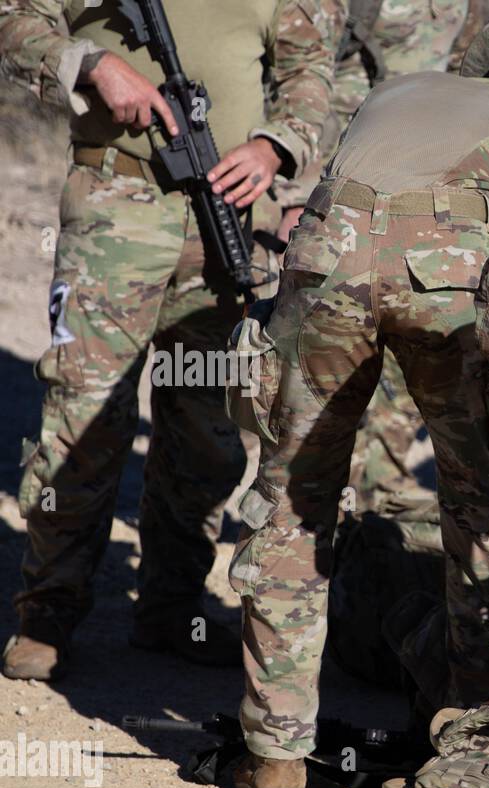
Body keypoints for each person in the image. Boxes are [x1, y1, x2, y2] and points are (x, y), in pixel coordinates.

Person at [229, 14, 489, 788]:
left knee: (294, 501)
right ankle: (466, 740)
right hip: (452, 281)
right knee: (480, 510)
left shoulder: (398, 90)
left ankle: (275, 760)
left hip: (326, 261)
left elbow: (341, 196)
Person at [0, 0, 339, 681]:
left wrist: (276, 146)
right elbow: (16, 22)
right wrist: (93, 65)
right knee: (83, 414)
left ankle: (171, 610)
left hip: (227, 221)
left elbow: (310, 73)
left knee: (207, 432)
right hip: (116, 202)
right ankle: (47, 618)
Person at [275, 0, 484, 511]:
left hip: (421, 185)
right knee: (307, 364)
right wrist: (300, 195)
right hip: (339, 178)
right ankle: (312, 494)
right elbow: (305, 71)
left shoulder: (464, 8)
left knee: (409, 339)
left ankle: (377, 484)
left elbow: (468, 75)